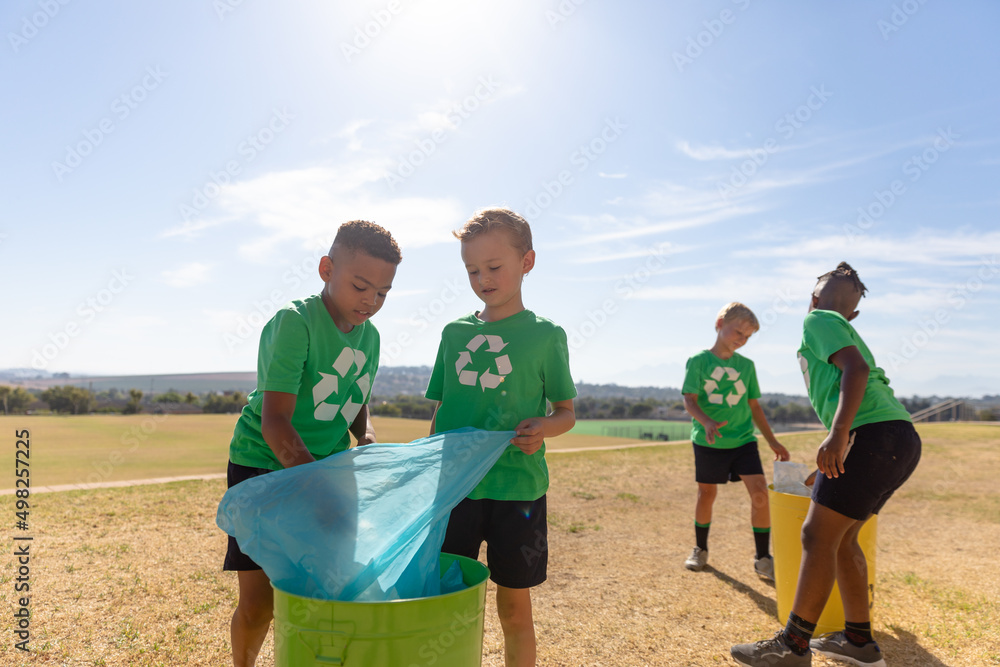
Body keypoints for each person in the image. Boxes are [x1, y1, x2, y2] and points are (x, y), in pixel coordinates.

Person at [224, 221, 401, 667]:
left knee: (333, 587)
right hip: (264, 466)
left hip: (326, 472)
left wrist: (367, 434)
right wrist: (316, 483)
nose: (370, 301)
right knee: (260, 602)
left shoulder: (372, 337)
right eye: (361, 286)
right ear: (326, 269)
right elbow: (275, 423)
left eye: (382, 293)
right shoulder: (294, 323)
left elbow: (355, 395)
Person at [731, 262, 921, 666]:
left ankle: (793, 645)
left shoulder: (818, 318)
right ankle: (858, 642)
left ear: (813, 298)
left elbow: (857, 370)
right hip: (898, 438)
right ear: (855, 314)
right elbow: (857, 374)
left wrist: (838, 434)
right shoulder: (844, 326)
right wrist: (844, 448)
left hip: (870, 436)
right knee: (842, 539)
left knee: (817, 537)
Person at [425, 207, 577, 667]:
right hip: (456, 491)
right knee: (447, 606)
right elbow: (439, 416)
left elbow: (566, 413)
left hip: (519, 492)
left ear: (527, 262)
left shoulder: (547, 336)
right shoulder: (454, 334)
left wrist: (543, 429)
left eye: (494, 267)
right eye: (472, 269)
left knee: (514, 610)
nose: (482, 278)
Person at [681, 302, 790, 580]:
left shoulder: (747, 366)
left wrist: (772, 442)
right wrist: (706, 421)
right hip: (709, 442)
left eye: (747, 336)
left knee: (760, 494)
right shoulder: (698, 361)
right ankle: (700, 548)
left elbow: (754, 407)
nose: (741, 339)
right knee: (706, 495)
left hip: (743, 441)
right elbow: (689, 400)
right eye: (737, 331)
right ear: (719, 324)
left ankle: (763, 557)